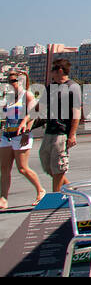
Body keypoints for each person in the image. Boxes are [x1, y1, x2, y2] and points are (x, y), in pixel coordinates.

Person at [0, 72, 44, 209]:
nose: (11, 83)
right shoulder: (9, 97)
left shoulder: (27, 95)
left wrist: (26, 132)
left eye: (14, 80)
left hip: (21, 135)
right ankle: (3, 198)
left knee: (22, 168)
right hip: (7, 135)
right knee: (4, 168)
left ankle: (41, 191)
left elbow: (32, 115)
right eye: (9, 80)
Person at [39, 59, 80, 193]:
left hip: (61, 133)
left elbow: (76, 113)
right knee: (48, 165)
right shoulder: (50, 87)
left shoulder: (72, 87)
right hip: (49, 131)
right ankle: (73, 191)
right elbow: (39, 108)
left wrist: (72, 135)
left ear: (60, 71)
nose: (50, 73)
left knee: (58, 167)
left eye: (52, 70)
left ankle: (56, 197)